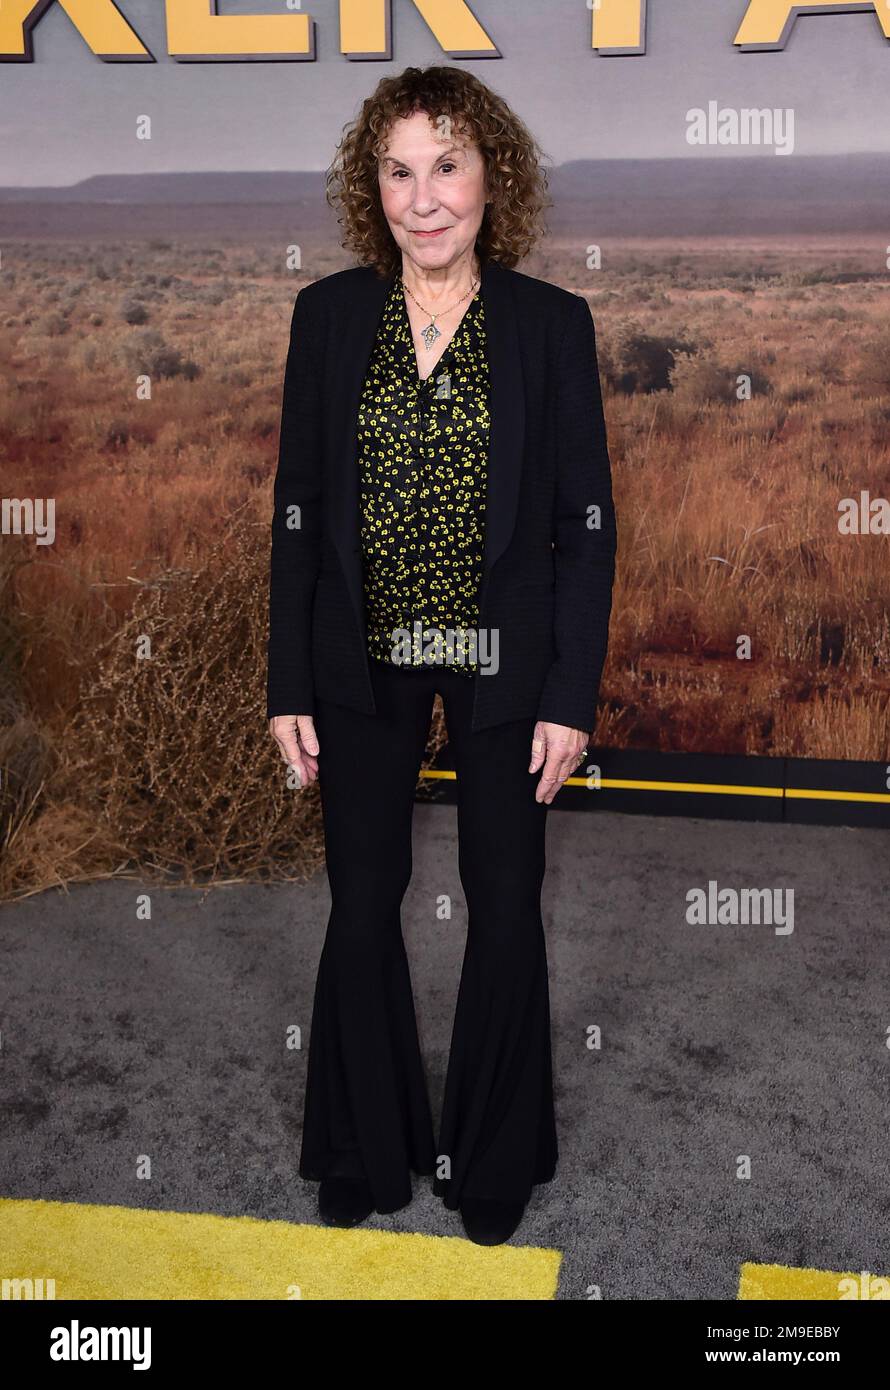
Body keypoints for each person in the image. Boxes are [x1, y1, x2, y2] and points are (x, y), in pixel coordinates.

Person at [267, 64, 617, 1246]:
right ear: (374, 189)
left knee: (505, 905)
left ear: (491, 178)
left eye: (447, 166)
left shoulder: (548, 326)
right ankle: (361, 1142)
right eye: (398, 170)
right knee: (363, 903)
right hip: (359, 654)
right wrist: (285, 686)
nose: (424, 198)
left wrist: (567, 694)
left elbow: (583, 525)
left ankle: (494, 1154)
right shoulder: (325, 319)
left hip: (498, 658)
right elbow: (298, 511)